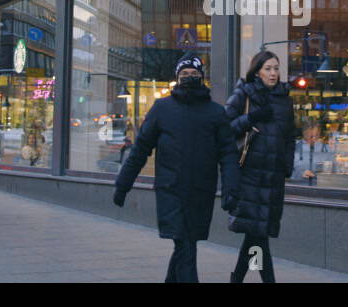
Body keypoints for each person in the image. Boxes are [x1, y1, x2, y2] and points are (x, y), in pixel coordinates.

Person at [113, 55, 240, 283]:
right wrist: (123, 184)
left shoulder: (215, 112)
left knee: (186, 244)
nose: (189, 79)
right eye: (184, 75)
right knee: (185, 243)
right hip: (170, 190)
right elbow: (140, 149)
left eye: (194, 75)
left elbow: (228, 154)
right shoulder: (162, 109)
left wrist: (231, 188)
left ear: (202, 77)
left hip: (201, 191)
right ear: (176, 78)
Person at [224, 50, 295, 283]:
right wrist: (252, 118)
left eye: (276, 68)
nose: (273, 73)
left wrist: (286, 166)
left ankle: (237, 278)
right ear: (257, 71)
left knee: (256, 234)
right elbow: (224, 129)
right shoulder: (244, 93)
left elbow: (289, 137)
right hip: (250, 175)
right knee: (258, 234)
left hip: (273, 177)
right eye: (268, 69)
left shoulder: (285, 99)